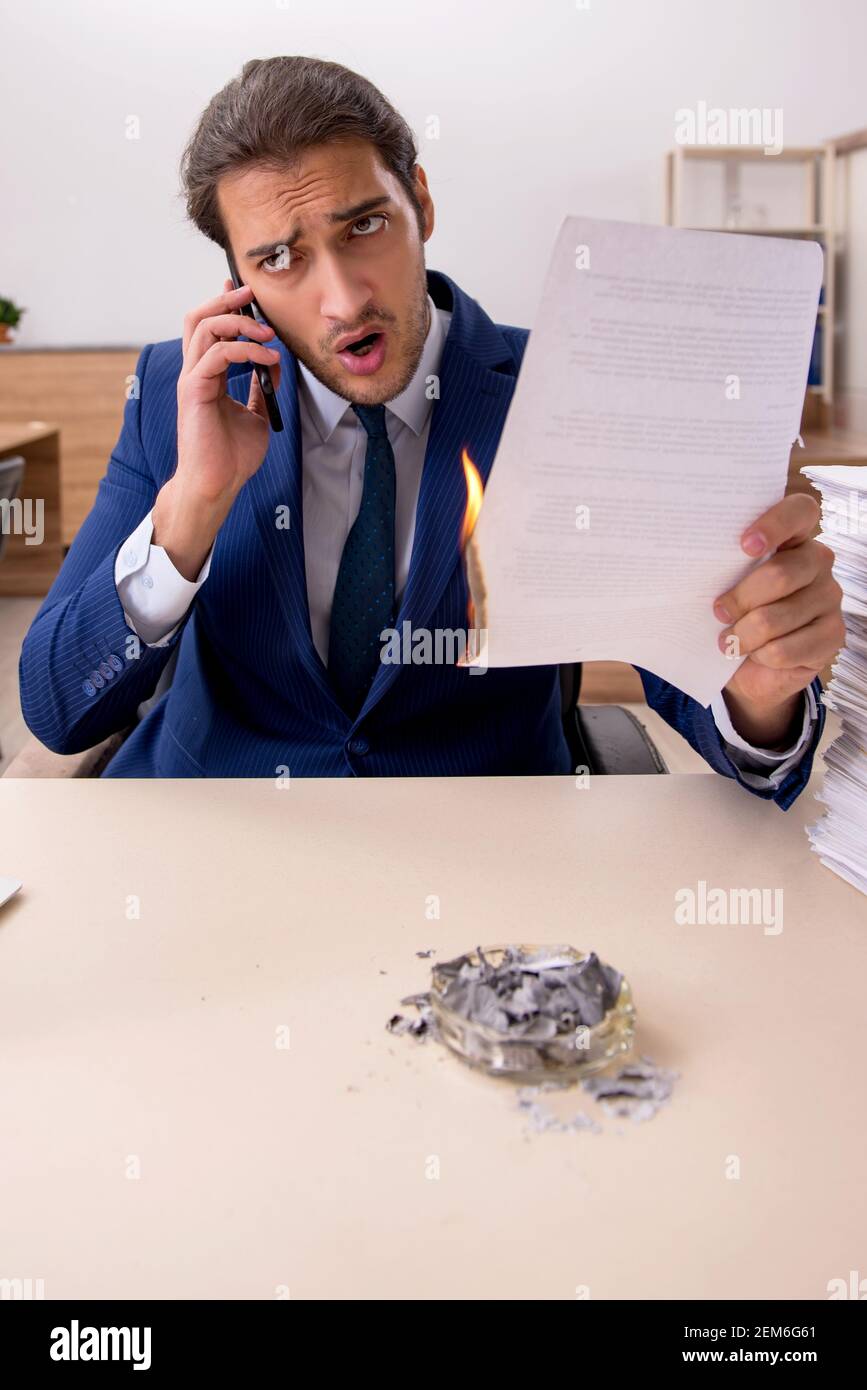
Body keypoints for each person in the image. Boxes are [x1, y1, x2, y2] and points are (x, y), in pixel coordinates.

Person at [19, 57, 844, 801]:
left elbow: (708, 694)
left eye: (363, 227)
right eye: (279, 260)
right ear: (237, 283)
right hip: (218, 837)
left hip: (480, 860)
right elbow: (59, 709)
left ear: (420, 200)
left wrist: (760, 690)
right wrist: (192, 506)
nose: (342, 299)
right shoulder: (179, 389)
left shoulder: (561, 389)